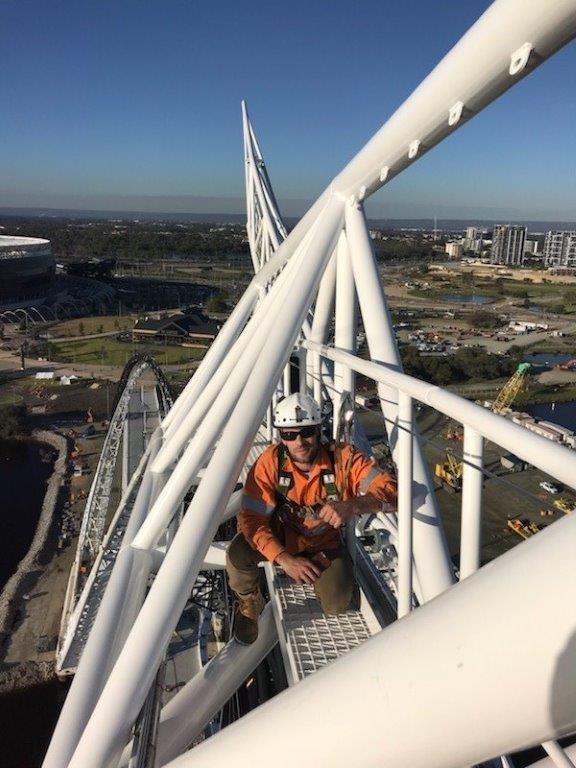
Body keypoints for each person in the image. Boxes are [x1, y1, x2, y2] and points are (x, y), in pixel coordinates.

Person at [226, 392, 397, 644]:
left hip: (324, 544)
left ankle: (319, 572)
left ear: (318, 430)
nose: (299, 441)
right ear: (280, 437)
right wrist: (284, 559)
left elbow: (391, 490)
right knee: (238, 554)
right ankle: (249, 600)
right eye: (289, 434)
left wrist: (353, 505)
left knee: (338, 603)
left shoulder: (344, 459)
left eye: (306, 432)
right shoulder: (270, 464)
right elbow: (251, 520)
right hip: (284, 540)